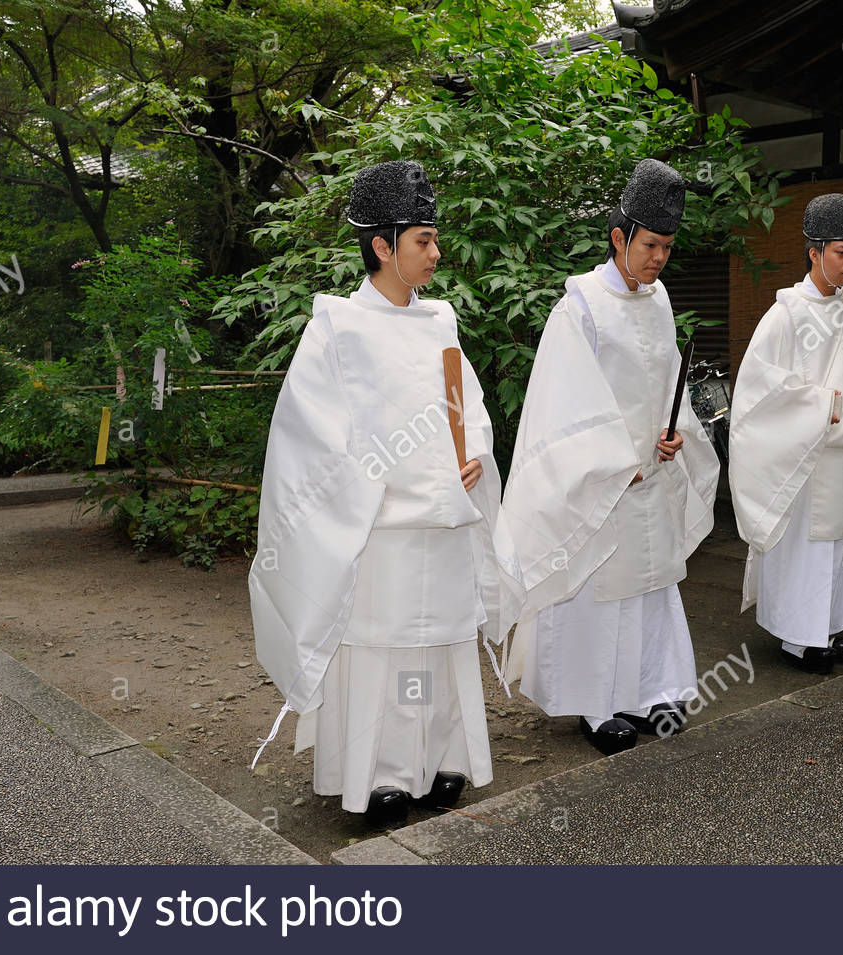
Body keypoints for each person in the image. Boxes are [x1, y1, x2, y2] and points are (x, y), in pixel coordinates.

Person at [248, 160, 506, 829]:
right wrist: (377, 477)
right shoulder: (337, 329)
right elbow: (311, 438)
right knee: (389, 657)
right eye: (423, 240)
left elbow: (466, 403)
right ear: (382, 245)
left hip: (444, 523)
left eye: (434, 239)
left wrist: (473, 452)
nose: (435, 253)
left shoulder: (441, 321)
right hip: (382, 530)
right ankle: (383, 772)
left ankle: (438, 758)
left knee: (438, 648)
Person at [495, 159, 719, 756]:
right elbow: (564, 401)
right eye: (650, 245)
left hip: (653, 470)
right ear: (619, 237)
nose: (658, 259)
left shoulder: (660, 299)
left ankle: (655, 689)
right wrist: (614, 461)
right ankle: (598, 704)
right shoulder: (582, 306)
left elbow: (669, 376)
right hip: (605, 478)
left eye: (667, 248)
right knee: (602, 580)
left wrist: (677, 434)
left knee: (652, 580)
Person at [727, 193, 843, 675]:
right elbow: (761, 393)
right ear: (814, 252)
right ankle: (798, 637)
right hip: (805, 458)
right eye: (841, 252)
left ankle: (832, 625)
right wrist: (826, 411)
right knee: (806, 549)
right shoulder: (787, 315)